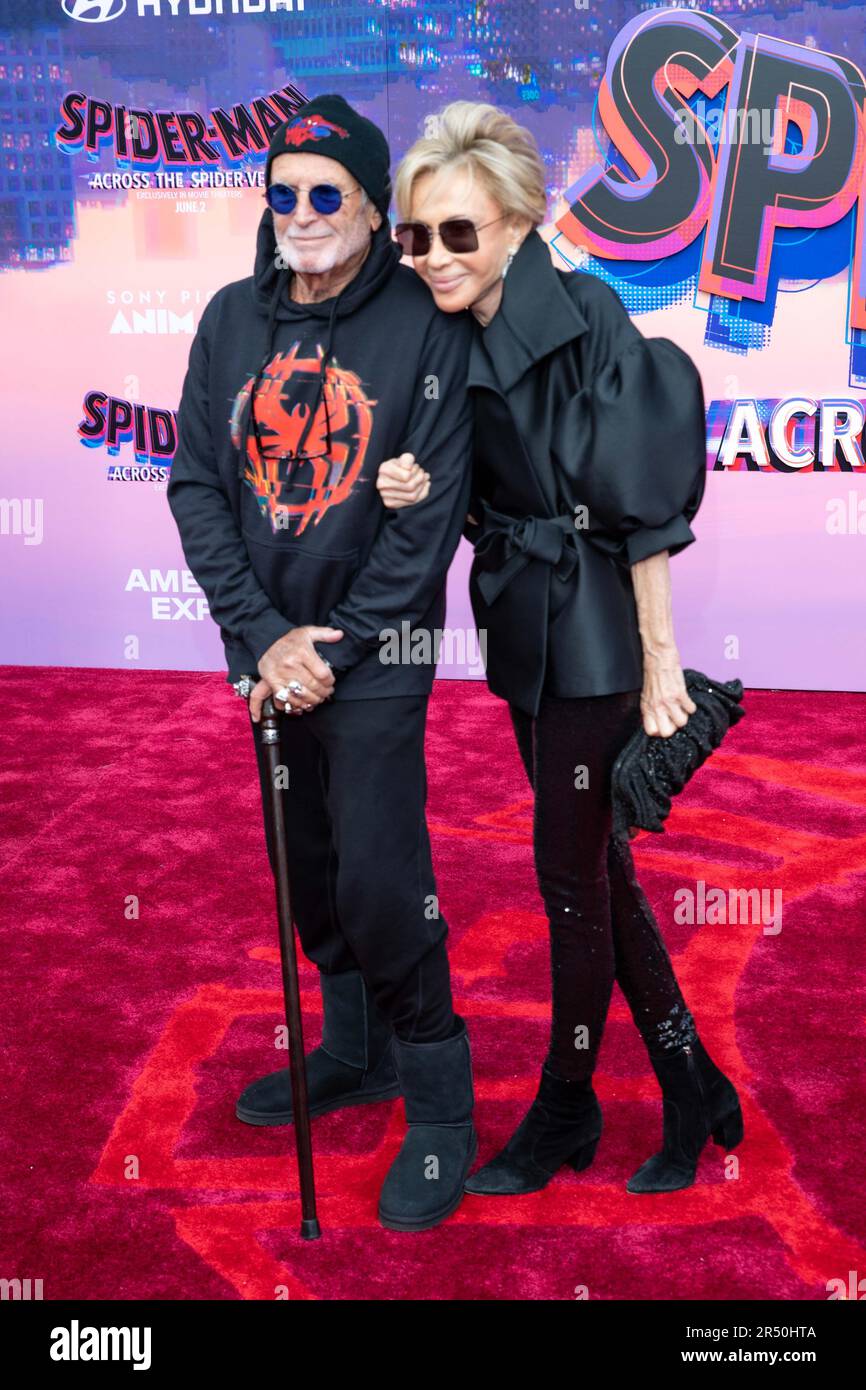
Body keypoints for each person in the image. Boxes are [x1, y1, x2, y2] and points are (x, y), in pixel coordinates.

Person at [376, 100, 743, 1196]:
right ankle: (692, 1084)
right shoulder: (445, 327)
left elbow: (638, 508)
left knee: (568, 884)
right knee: (598, 870)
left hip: (591, 636)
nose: (431, 256)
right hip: (521, 626)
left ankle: (562, 1108)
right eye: (415, 234)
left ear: (518, 223)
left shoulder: (586, 316)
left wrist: (662, 664)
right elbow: (451, 467)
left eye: (457, 233)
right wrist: (412, 481)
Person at [167, 94, 479, 1232]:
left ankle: (442, 1105)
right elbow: (197, 484)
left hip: (377, 653)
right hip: (266, 654)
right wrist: (262, 638)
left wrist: (331, 647)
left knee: (382, 876)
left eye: (324, 193)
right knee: (303, 862)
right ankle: (355, 1050)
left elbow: (426, 518)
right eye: (282, 192)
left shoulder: (425, 324)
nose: (299, 213)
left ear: (369, 204)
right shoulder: (225, 318)